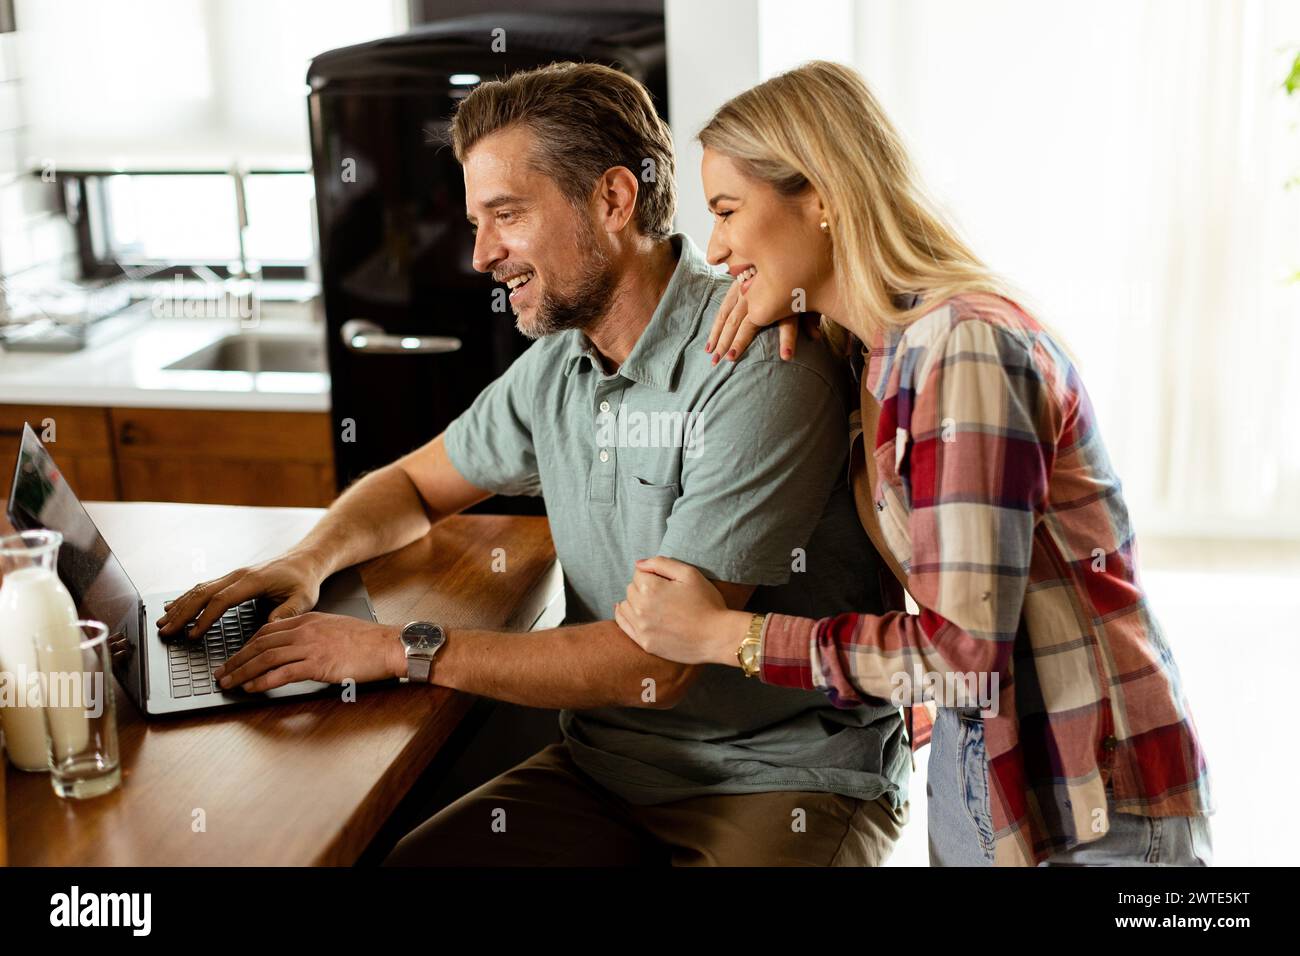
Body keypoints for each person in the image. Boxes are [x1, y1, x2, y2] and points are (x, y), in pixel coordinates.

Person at [157, 61, 909, 866]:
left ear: (613, 201)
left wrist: (393, 648)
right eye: (478, 221)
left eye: (506, 215)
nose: (482, 255)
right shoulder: (560, 365)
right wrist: (306, 562)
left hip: (784, 780)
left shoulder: (760, 368)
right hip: (606, 770)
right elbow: (412, 483)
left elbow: (656, 661)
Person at [615, 60, 1214, 866]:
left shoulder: (965, 348)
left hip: (1092, 790)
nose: (716, 248)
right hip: (982, 765)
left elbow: (961, 654)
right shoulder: (873, 352)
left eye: (727, 211)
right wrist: (802, 327)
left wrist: (726, 636)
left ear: (822, 196)